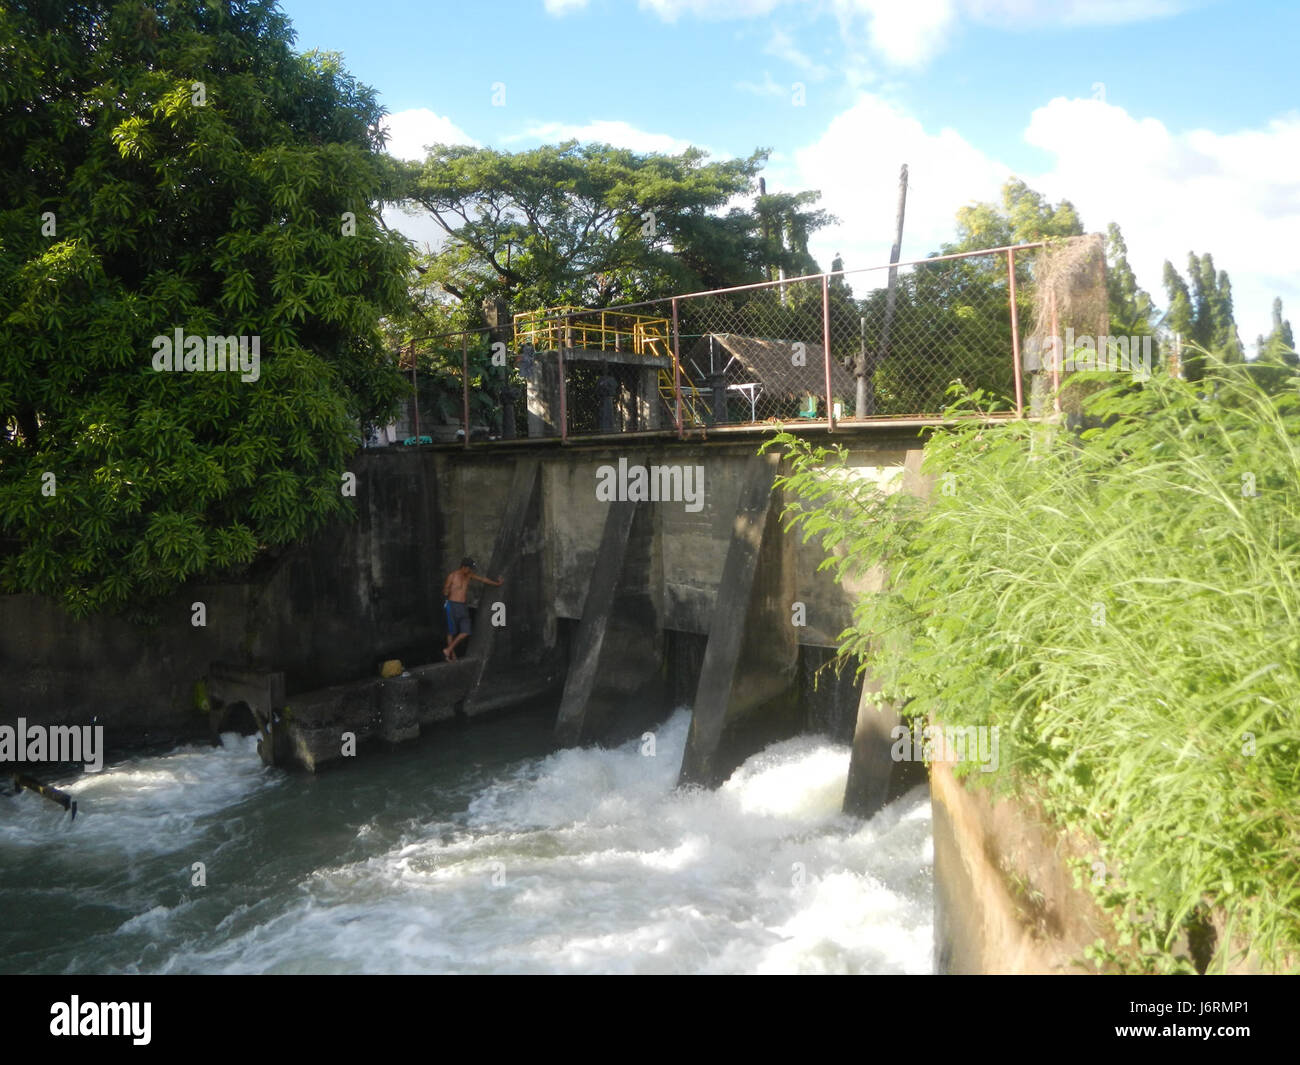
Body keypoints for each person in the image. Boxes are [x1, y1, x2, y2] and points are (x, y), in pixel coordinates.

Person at [442, 557, 504, 661]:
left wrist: (497, 584)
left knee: (466, 631)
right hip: (452, 605)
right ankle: (451, 655)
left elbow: (483, 579)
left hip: (462, 606)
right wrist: (446, 591)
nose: (471, 570)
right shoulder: (452, 576)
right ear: (464, 567)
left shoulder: (469, 575)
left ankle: (448, 650)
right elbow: (445, 590)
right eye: (470, 568)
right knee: (451, 631)